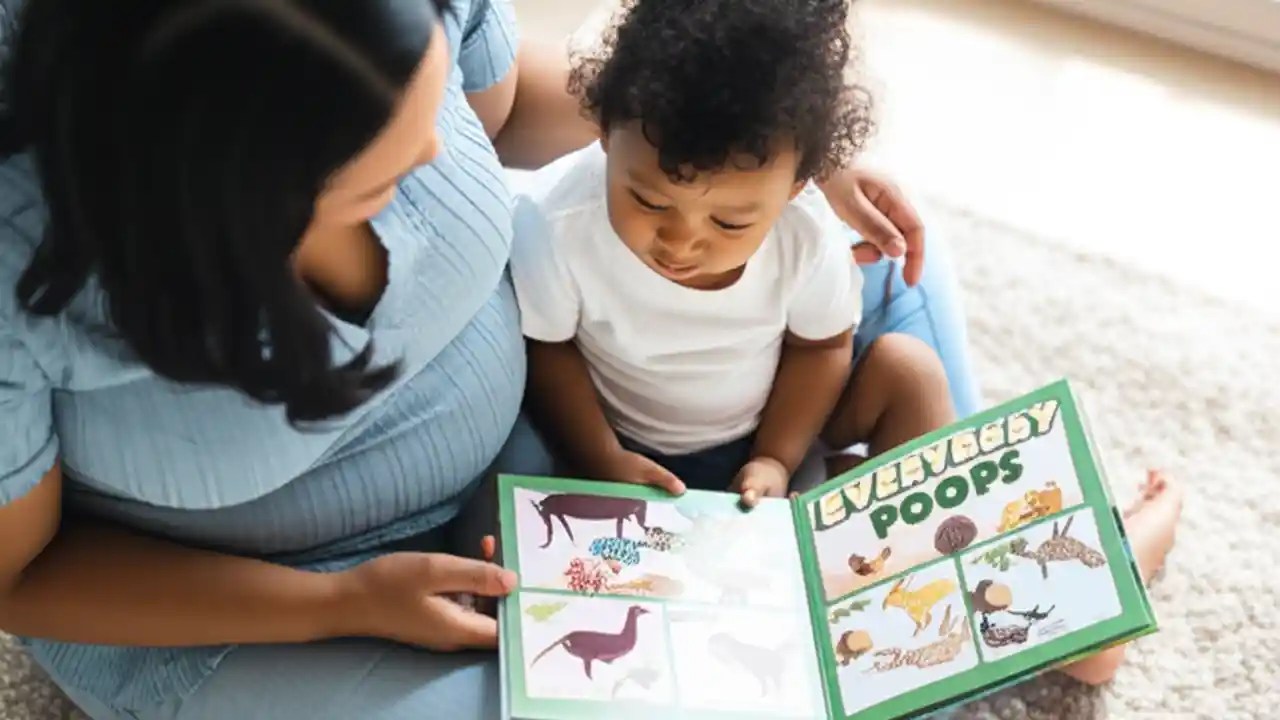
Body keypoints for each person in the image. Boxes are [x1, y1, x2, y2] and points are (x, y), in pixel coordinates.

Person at [0, 2, 1175, 720]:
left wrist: (764, 165)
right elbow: (19, 582)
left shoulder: (371, 17)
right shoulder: (23, 267)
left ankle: (1041, 571)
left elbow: (535, 109)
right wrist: (339, 603)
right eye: (378, 182)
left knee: (874, 261)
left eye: (433, 139)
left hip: (535, 442)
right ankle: (1029, 606)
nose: (424, 185)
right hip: (267, 602)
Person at [510, 0, 956, 507]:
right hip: (619, 457)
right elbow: (548, 350)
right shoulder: (556, 223)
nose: (680, 242)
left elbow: (820, 347)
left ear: (798, 187)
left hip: (774, 442)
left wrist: (775, 459)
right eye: (648, 201)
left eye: (729, 222)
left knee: (911, 372)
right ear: (606, 133)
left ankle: (913, 557)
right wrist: (600, 456)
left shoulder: (804, 232)